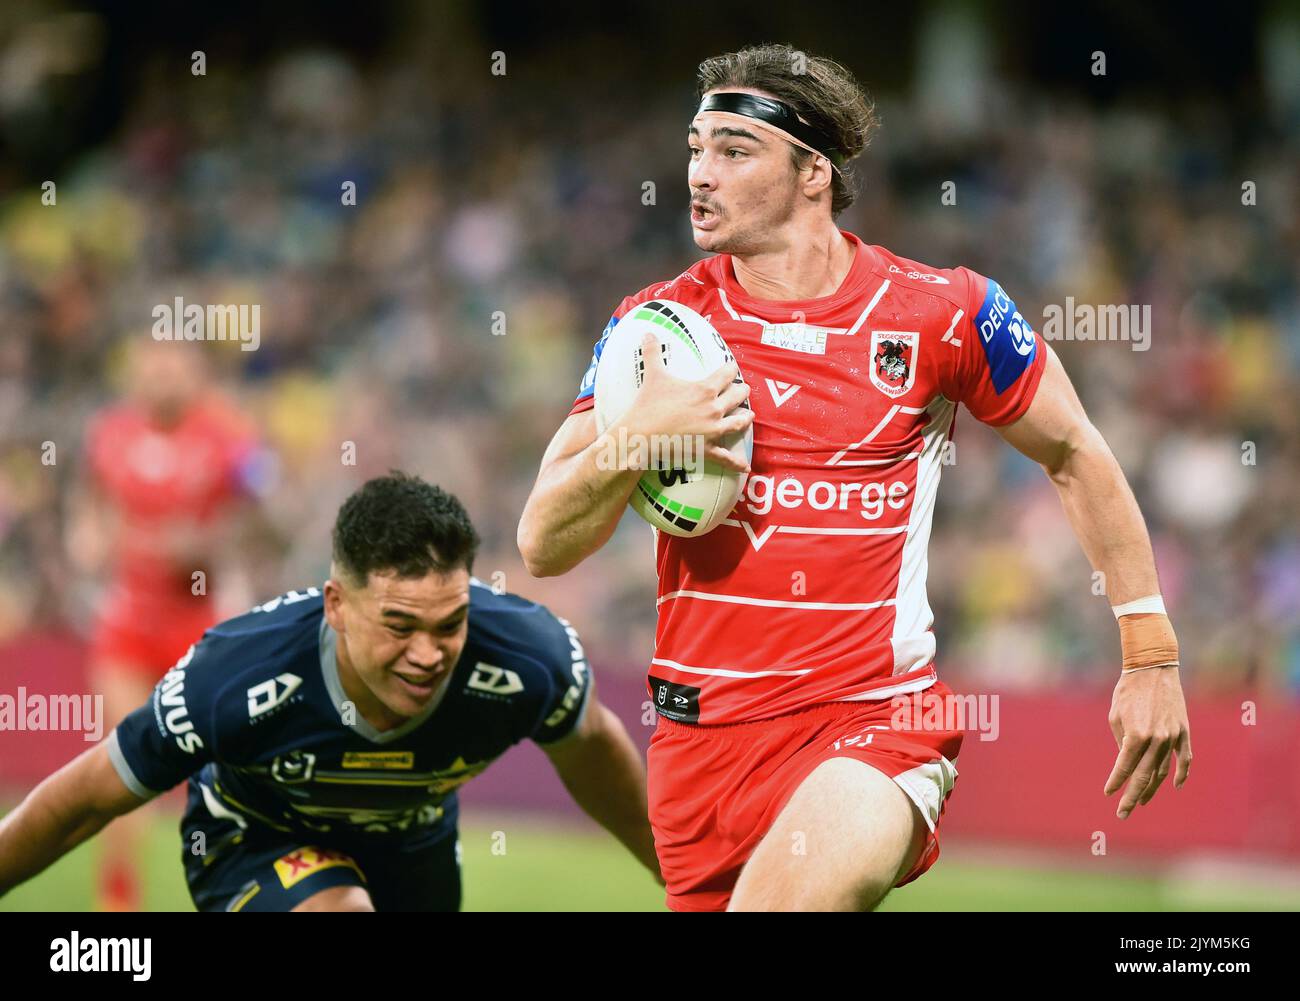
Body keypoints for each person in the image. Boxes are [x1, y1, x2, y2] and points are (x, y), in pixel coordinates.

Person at [517, 44, 1191, 912]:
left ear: (814, 173)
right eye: (694, 147)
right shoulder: (657, 329)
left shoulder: (944, 313)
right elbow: (542, 541)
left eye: (732, 150)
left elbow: (1074, 451)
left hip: (872, 722)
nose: (698, 173)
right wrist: (635, 439)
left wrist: (1151, 653)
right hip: (698, 748)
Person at [3, 472, 660, 910]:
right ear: (338, 605)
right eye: (399, 625)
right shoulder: (236, 674)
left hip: (414, 849)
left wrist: (695, 888)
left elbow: (595, 752)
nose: (428, 654)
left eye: (450, 623)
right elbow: (84, 798)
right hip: (256, 838)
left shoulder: (527, 660)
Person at [66, 337, 266, 911]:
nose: (161, 379)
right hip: (127, 625)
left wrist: (202, 545)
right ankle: (118, 908)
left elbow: (263, 513)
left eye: (174, 369)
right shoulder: (110, 433)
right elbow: (90, 501)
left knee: (222, 778)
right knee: (122, 765)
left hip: (203, 627)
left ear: (196, 374)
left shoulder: (228, 437)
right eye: (151, 367)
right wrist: (86, 535)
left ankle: (241, 891)